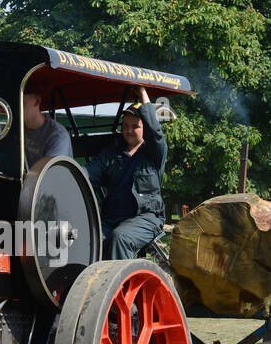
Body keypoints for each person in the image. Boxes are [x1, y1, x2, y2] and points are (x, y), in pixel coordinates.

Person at [86, 87, 167, 259]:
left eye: (135, 126)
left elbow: (156, 133)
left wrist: (144, 94)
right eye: (125, 126)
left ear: (145, 128)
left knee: (120, 238)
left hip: (146, 217)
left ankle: (119, 285)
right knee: (88, 239)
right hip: (112, 219)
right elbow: (87, 175)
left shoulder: (154, 153)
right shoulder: (110, 154)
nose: (129, 130)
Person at [21, 85, 72, 167]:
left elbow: (51, 173)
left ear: (37, 101)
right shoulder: (17, 129)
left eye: (22, 103)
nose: (17, 108)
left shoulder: (57, 135)